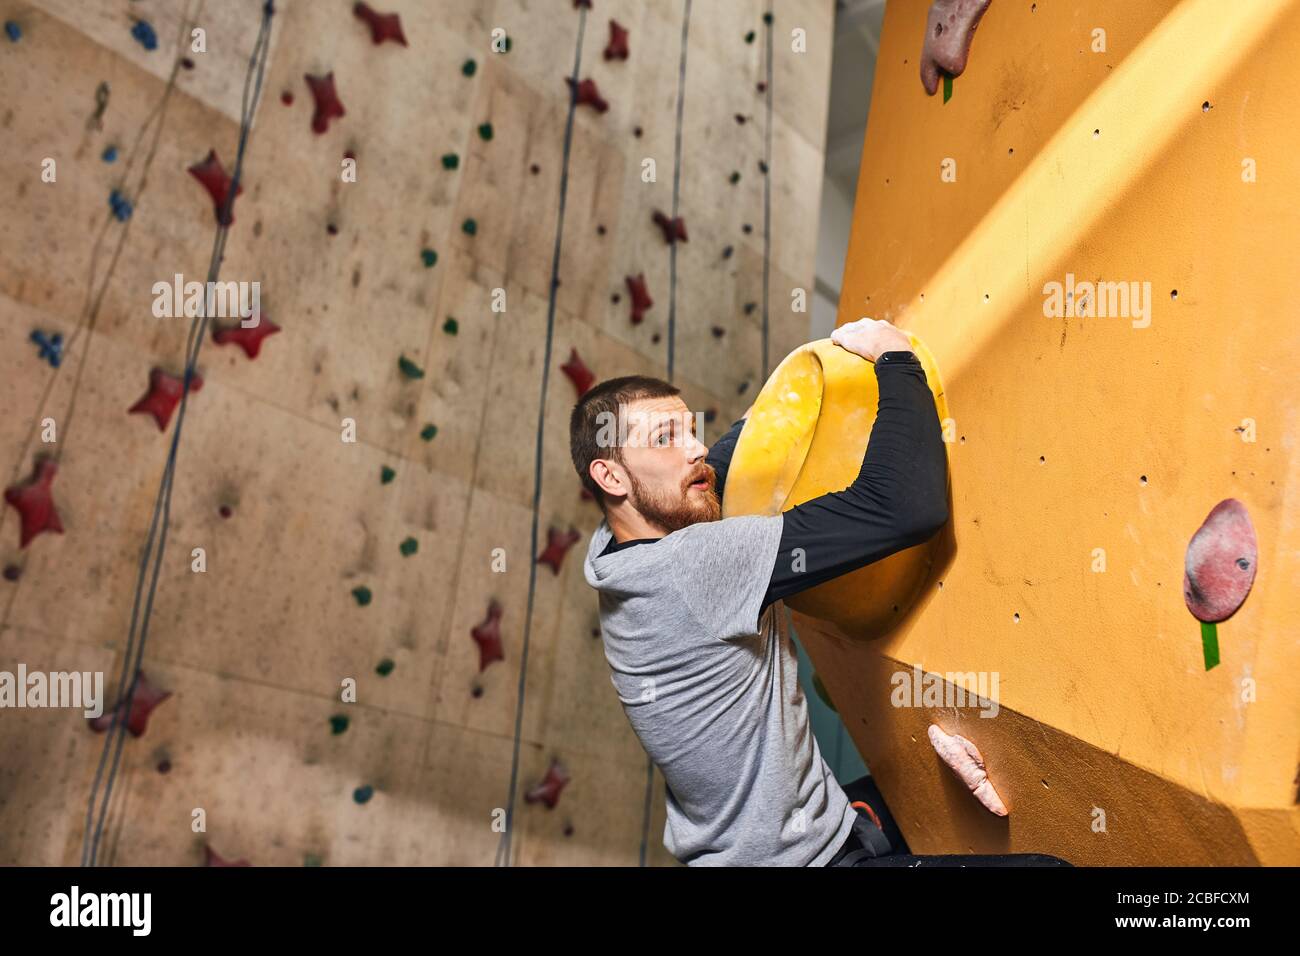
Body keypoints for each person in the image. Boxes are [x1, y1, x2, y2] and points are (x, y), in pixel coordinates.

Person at [571, 317, 1060, 866]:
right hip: (801, 861)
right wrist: (897, 359)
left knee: (912, 786)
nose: (696, 449)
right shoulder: (694, 565)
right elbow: (903, 507)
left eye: (690, 428)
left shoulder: (617, 550)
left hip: (763, 842)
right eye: (666, 439)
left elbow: (739, 452)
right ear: (611, 478)